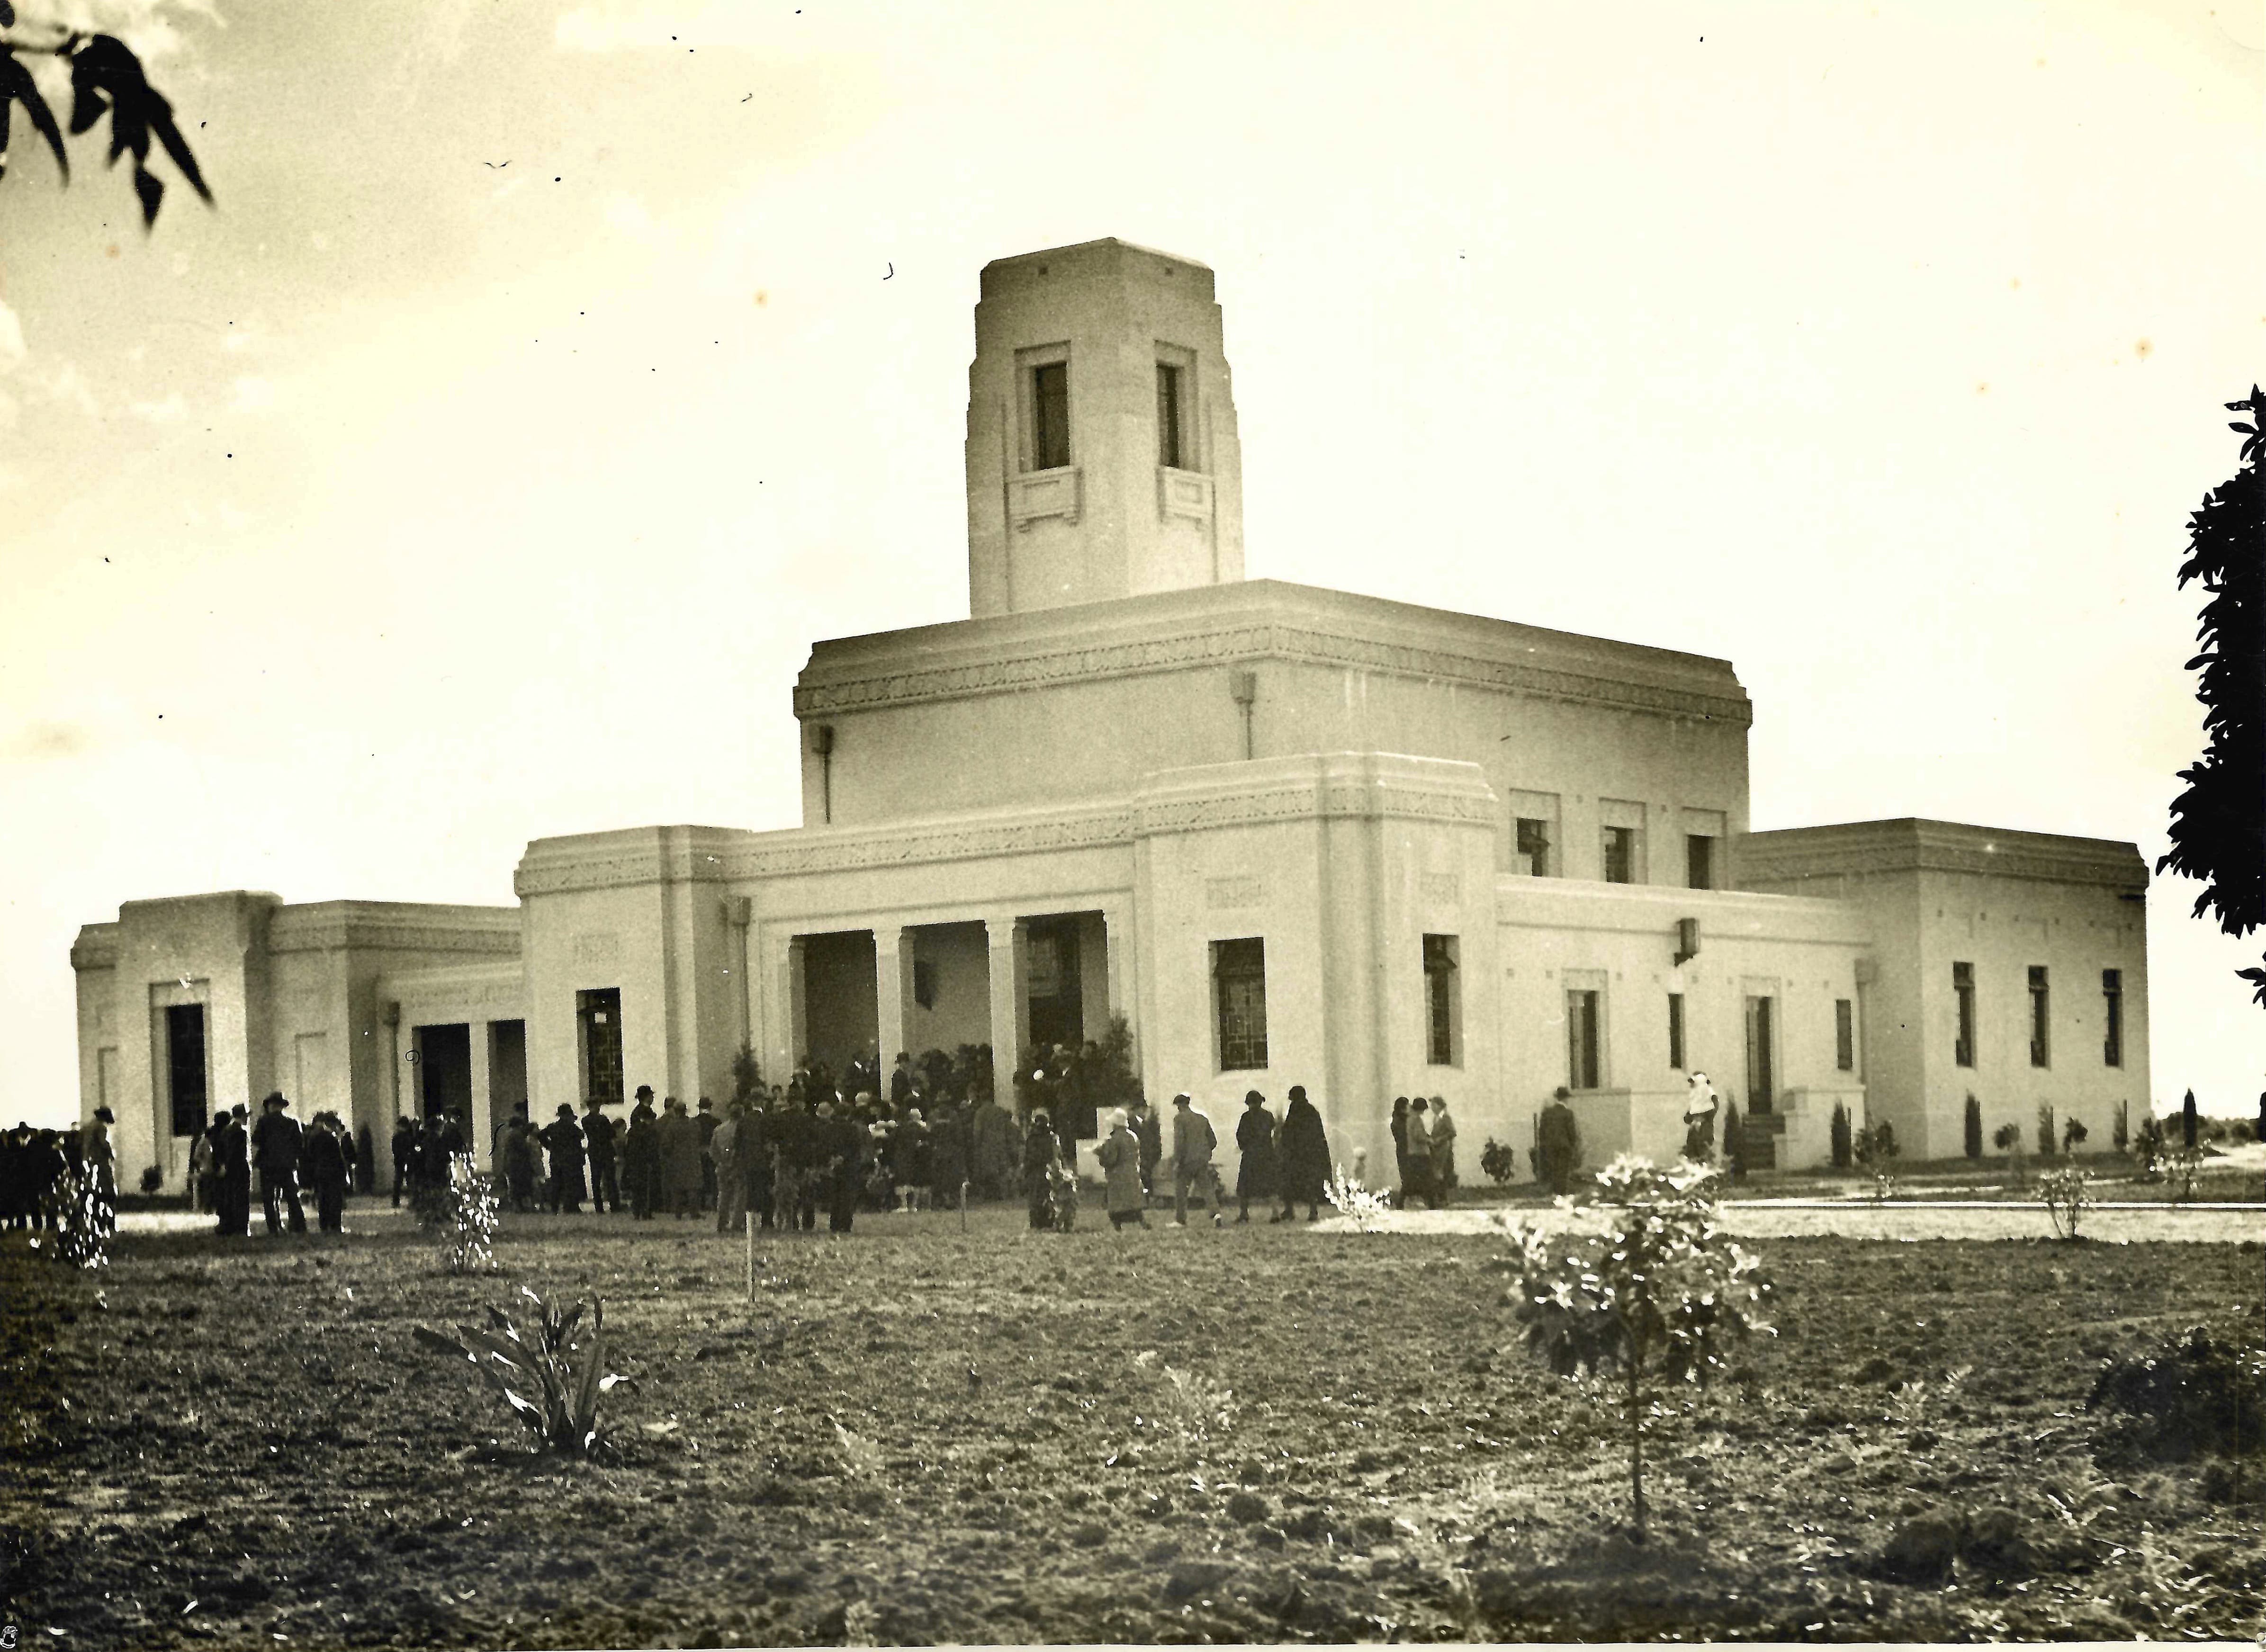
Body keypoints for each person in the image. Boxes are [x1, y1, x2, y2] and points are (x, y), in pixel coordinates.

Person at [250, 1093, 306, 1235]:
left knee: (270, 1199)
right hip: (287, 1165)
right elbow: (300, 1144)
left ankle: (274, 1227)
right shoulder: (293, 1122)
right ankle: (299, 1226)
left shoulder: (263, 1122)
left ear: (270, 1106)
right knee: (293, 1198)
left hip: (268, 1165)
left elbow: (256, 1140)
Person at [1279, 1085, 1332, 1222]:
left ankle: (1290, 1211)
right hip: (1311, 1153)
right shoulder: (1312, 1110)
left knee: (1290, 1182)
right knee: (1310, 1183)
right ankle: (1313, 1211)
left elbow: (1289, 1130)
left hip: (1296, 1153)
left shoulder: (1295, 1110)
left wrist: (1284, 1146)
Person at [1170, 1093, 1222, 1227]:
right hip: (1202, 1160)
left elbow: (1180, 1142)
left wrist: (1177, 1161)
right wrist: (1205, 1151)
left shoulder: (1179, 1119)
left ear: (1180, 1105)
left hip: (1186, 1160)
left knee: (1181, 1190)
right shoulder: (1202, 1119)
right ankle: (1216, 1213)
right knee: (1207, 1188)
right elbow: (1213, 1141)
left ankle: (1180, 1220)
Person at [1096, 1109, 1148, 1230]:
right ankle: (1143, 1223)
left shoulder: (1114, 1139)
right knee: (1134, 1203)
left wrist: (1101, 1155)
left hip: (1118, 1175)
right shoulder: (1133, 1136)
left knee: (1117, 1205)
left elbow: (1112, 1159)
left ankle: (1118, 1228)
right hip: (1133, 1172)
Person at [1234, 1090, 1280, 1224]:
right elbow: (1274, 1131)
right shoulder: (1268, 1115)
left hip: (1251, 1155)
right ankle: (1275, 1213)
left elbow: (1240, 1135)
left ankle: (1244, 1214)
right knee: (1270, 1184)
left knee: (1244, 1186)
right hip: (1267, 1153)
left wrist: (1244, 1146)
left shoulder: (1246, 1117)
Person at [1023, 1107, 1070, 1231]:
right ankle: (1050, 1220)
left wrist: (1026, 1171)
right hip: (1050, 1171)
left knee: (1035, 1198)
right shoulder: (1053, 1138)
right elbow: (1059, 1155)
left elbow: (1028, 1157)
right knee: (1050, 1197)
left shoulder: (1031, 1139)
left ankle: (1036, 1222)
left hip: (1035, 1172)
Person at [303, 1114, 350, 1232]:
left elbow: (310, 1157)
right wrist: (345, 1175)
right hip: (333, 1172)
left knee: (323, 1200)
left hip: (319, 1172)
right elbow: (339, 1158)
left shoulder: (312, 1138)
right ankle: (336, 1226)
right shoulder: (331, 1137)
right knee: (335, 1200)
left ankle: (324, 1226)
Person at [657, 1097, 702, 1219]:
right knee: (692, 1186)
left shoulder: (672, 1126)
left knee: (677, 1187)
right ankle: (694, 1212)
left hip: (677, 1159)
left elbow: (666, 1144)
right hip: (692, 1158)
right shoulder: (694, 1124)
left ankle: (678, 1212)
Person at [541, 1105, 588, 1212]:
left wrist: (550, 1146)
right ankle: (571, 1207)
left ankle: (555, 1207)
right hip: (571, 1161)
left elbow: (541, 1135)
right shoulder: (572, 1128)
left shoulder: (553, 1127)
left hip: (556, 1160)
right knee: (571, 1184)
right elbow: (581, 1135)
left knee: (556, 1185)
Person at [1537, 1086, 1582, 1196]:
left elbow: (1541, 1131)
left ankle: (1554, 1192)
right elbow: (1571, 1132)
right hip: (1564, 1146)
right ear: (1566, 1099)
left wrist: (1544, 1144)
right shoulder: (1568, 1113)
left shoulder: (1548, 1113)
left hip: (1550, 1146)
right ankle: (1561, 1193)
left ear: (1557, 1098)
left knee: (1554, 1169)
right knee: (1563, 1170)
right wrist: (1574, 1145)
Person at [623, 1089, 660, 1219]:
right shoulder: (642, 1115)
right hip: (643, 1157)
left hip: (636, 1157)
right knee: (644, 1185)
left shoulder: (637, 1113)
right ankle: (644, 1210)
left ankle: (639, 1210)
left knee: (639, 1185)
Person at [81, 1106, 118, 1234]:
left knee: (94, 1195)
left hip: (89, 1163)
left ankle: (95, 1224)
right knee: (109, 1194)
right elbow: (104, 1143)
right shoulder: (101, 1127)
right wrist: (111, 1155)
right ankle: (110, 1224)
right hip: (101, 1163)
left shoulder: (88, 1127)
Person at [217, 1105, 252, 1236]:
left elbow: (221, 1151)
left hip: (229, 1169)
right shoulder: (241, 1132)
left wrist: (224, 1166)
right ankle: (242, 1228)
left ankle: (229, 1225)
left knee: (230, 1198)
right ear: (242, 1116)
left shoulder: (226, 1131)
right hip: (241, 1169)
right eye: (246, 1116)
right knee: (242, 1199)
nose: (247, 1119)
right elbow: (240, 1153)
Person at [712, 1100, 746, 1234]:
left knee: (724, 1195)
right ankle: (737, 1223)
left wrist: (720, 1161)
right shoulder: (742, 1129)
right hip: (738, 1166)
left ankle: (722, 1222)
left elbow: (713, 1150)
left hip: (722, 1166)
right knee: (740, 1196)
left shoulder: (719, 1129)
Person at [583, 1099, 620, 1214]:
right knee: (610, 1179)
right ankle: (614, 1205)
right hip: (606, 1151)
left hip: (594, 1151)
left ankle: (599, 1207)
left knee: (596, 1179)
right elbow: (611, 1134)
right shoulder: (603, 1119)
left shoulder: (585, 1120)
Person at [502, 1114, 540, 1212]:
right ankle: (520, 1207)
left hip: (511, 1163)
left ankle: (518, 1207)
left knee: (515, 1186)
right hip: (519, 1164)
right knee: (522, 1185)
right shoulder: (517, 1134)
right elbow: (524, 1149)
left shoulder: (508, 1134)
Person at [1682, 1072, 1720, 1164]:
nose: (1691, 1086)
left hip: (1704, 1131)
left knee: (1704, 1153)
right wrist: (1692, 1118)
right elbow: (1688, 1117)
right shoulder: (1695, 1098)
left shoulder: (1710, 1096)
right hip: (1694, 1133)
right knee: (1692, 1154)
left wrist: (1701, 1117)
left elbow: (1713, 1110)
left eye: (1693, 1083)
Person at [1405, 1097, 1437, 1209]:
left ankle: (1404, 1201)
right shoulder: (1416, 1119)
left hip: (1412, 1152)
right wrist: (1429, 1140)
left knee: (1412, 1179)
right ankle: (1432, 1203)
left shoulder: (1409, 1118)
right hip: (1421, 1153)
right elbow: (1418, 1136)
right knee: (1427, 1179)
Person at [1428, 1095, 1458, 1205]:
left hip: (1445, 1150)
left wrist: (1440, 1139)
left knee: (1444, 1174)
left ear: (1440, 1106)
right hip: (1437, 1150)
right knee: (1438, 1174)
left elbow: (1452, 1132)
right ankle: (1441, 1198)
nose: (1432, 1107)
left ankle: (1444, 1199)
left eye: (1434, 1105)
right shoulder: (1436, 1119)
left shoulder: (1446, 1118)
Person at [1131, 1098, 1162, 1200]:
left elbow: (1153, 1141)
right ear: (1137, 1110)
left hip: (1148, 1157)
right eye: (1142, 1109)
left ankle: (1147, 1199)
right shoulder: (1131, 1124)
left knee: (1146, 1179)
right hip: (1138, 1156)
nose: (1144, 1112)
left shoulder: (1146, 1124)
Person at [189, 1113, 221, 1213]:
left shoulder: (208, 1143)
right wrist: (200, 1166)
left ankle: (210, 1208)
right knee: (208, 1189)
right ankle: (207, 1208)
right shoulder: (203, 1143)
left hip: (210, 1168)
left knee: (211, 1189)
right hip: (206, 1169)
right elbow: (196, 1156)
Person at [694, 1096, 721, 1212]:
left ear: (699, 1108)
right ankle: (714, 1204)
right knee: (713, 1179)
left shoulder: (694, 1122)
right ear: (711, 1107)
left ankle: (701, 1204)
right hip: (712, 1153)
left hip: (698, 1154)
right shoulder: (716, 1122)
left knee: (700, 1178)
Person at [389, 1114, 416, 1207]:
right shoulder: (408, 1136)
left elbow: (395, 1150)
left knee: (400, 1182)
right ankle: (410, 1201)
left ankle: (397, 1201)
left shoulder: (398, 1137)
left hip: (401, 1161)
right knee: (406, 1182)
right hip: (404, 1161)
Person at [1390, 1097, 1412, 1208]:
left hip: (1403, 1150)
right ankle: (1401, 1202)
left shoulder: (1398, 1120)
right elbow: (1406, 1136)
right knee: (1408, 1176)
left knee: (1407, 1176)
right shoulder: (1401, 1121)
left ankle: (1402, 1201)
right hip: (1406, 1150)